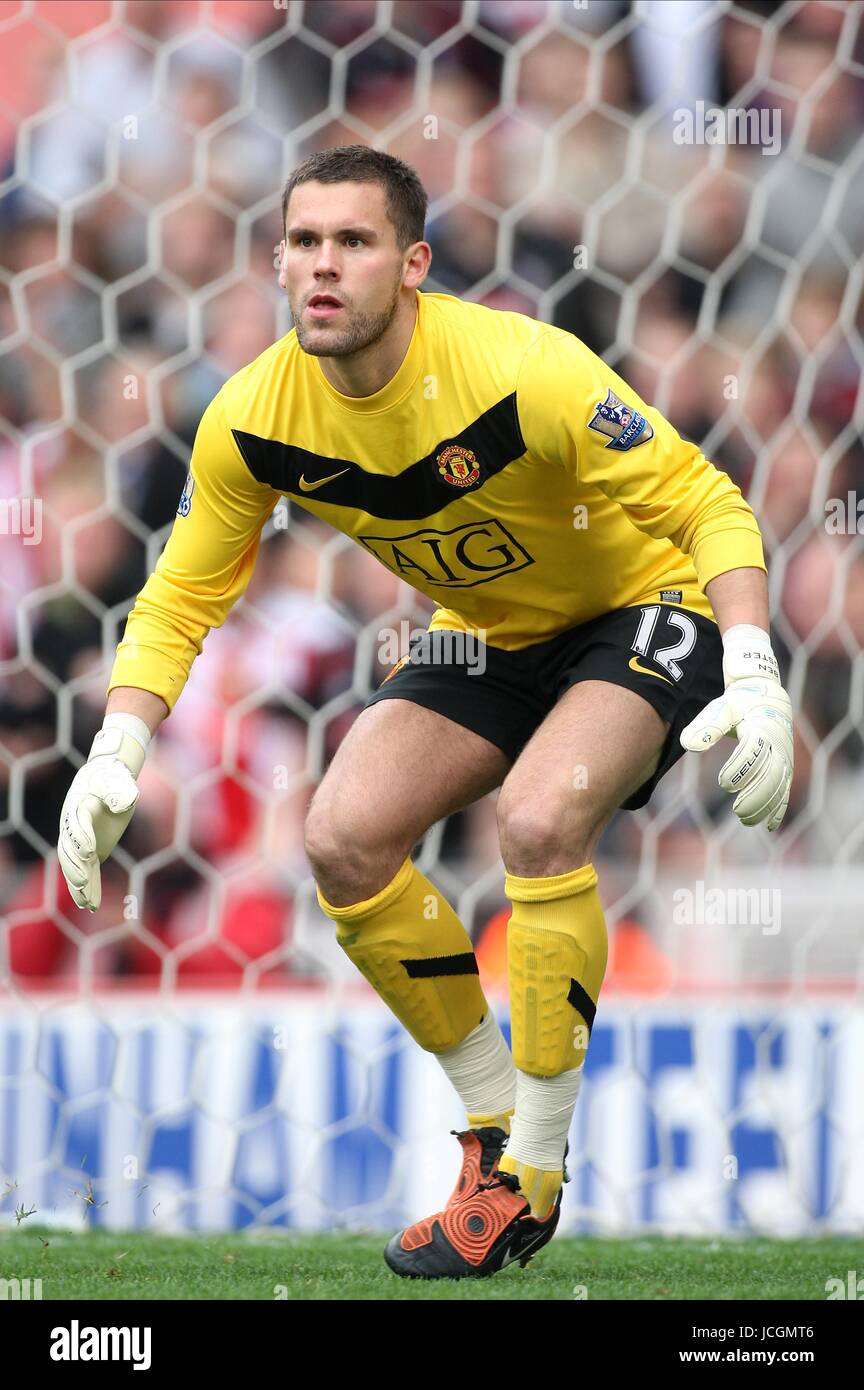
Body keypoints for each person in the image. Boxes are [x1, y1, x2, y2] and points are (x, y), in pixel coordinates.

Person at [57, 144, 794, 1280]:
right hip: (495, 629)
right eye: (303, 241)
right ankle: (493, 1131)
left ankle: (536, 1180)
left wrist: (752, 662)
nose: (322, 266)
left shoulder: (522, 368)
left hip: (647, 602)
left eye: (353, 242)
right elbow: (181, 595)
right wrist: (116, 746)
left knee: (543, 821)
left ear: (413, 266)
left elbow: (709, 500)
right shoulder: (252, 418)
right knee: (342, 838)